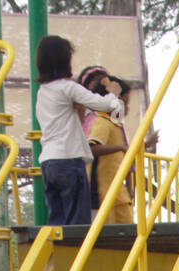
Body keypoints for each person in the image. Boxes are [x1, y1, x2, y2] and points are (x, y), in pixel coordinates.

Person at [34, 37, 123, 225]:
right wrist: (113, 92)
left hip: (48, 162)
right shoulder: (68, 88)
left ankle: (56, 253)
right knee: (76, 223)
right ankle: (76, 254)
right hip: (69, 160)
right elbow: (104, 105)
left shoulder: (42, 92)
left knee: (57, 222)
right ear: (64, 61)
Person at [82, 72, 135, 224]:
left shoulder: (116, 126)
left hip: (117, 193)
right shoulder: (102, 122)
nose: (127, 108)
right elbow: (92, 148)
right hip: (101, 195)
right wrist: (120, 147)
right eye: (124, 103)